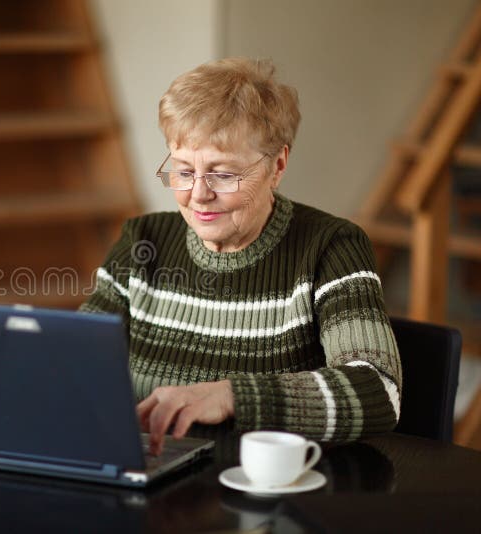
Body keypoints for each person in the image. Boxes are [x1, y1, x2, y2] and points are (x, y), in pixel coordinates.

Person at [80, 57, 401, 455]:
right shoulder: (141, 242)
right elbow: (72, 361)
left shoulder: (331, 247)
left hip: (270, 495)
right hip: (151, 479)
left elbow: (378, 390)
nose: (198, 194)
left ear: (277, 165)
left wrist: (233, 396)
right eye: (183, 171)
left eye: (223, 174)